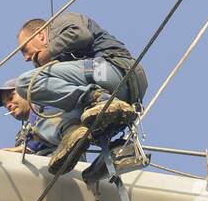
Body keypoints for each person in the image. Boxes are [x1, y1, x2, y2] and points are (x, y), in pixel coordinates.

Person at [13, 11, 148, 175]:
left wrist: (48, 53)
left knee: (25, 83)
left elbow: (80, 34)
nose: (26, 58)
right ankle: (72, 133)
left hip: (113, 71)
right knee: (45, 119)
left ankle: (95, 97)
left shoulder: (59, 24)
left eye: (25, 50)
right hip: (126, 92)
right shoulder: (64, 65)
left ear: (40, 35)